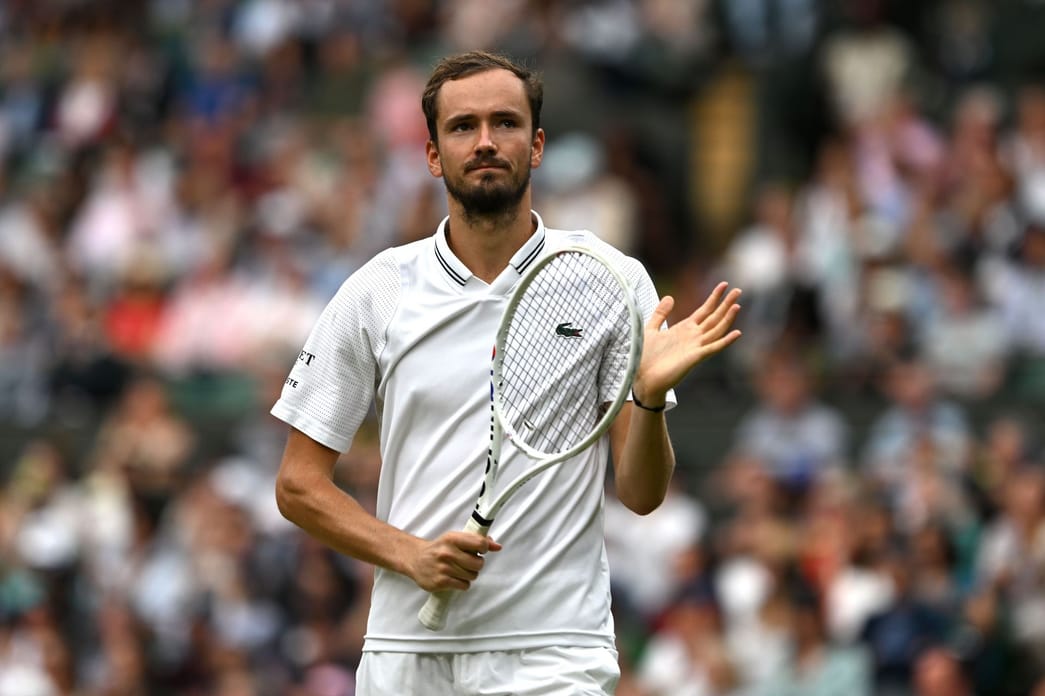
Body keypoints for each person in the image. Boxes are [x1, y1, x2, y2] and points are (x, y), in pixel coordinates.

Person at [271, 50, 743, 696]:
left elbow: (640, 494)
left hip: (554, 653)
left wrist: (649, 396)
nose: (486, 141)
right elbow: (298, 486)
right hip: (408, 654)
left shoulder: (609, 280)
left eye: (505, 123)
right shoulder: (377, 290)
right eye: (463, 127)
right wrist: (408, 552)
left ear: (537, 143)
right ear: (434, 155)